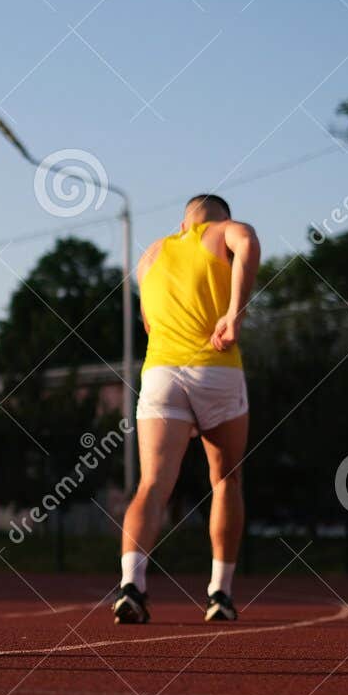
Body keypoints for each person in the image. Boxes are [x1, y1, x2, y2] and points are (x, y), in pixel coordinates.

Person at [113, 194, 259, 624]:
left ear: (183, 222)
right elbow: (248, 240)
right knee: (227, 480)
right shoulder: (220, 232)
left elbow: (148, 322)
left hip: (160, 373)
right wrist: (235, 312)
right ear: (219, 218)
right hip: (215, 368)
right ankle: (220, 594)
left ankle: (131, 587)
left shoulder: (152, 254)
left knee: (152, 485)